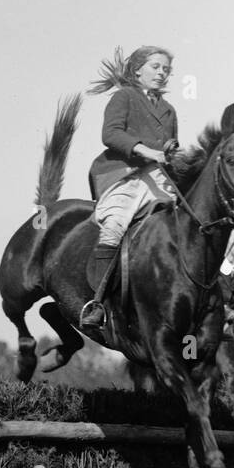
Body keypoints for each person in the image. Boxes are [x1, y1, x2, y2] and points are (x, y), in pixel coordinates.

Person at [79, 45, 181, 330]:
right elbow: (110, 134)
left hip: (159, 179)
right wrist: (147, 151)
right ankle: (98, 302)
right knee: (115, 226)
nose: (162, 73)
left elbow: (169, 151)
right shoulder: (124, 97)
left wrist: (174, 155)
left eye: (166, 70)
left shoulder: (169, 110)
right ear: (138, 70)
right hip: (124, 174)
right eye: (156, 67)